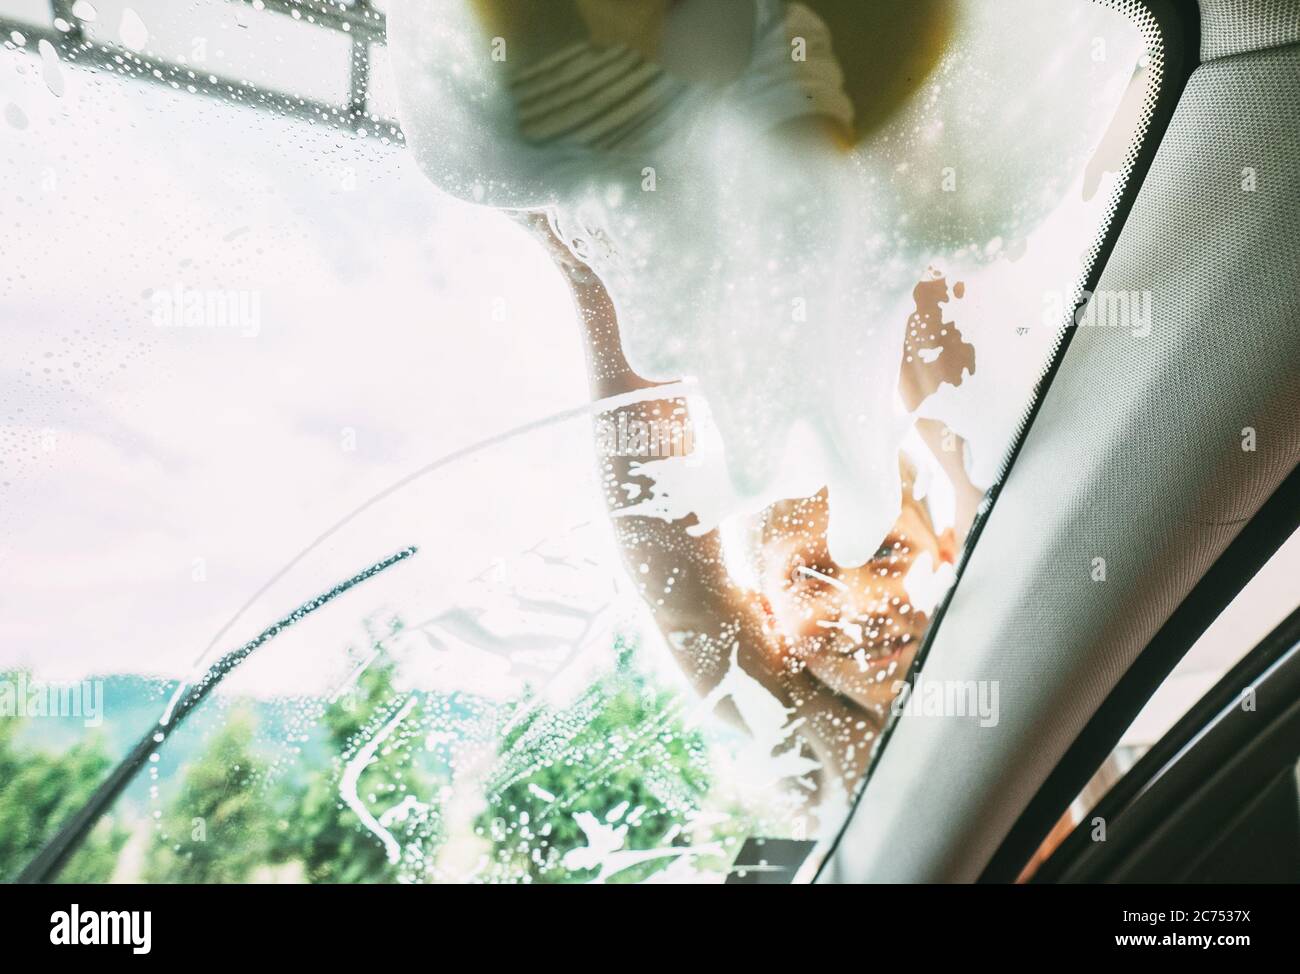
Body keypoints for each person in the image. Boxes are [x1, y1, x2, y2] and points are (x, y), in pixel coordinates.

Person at [388, 0, 1097, 805]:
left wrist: (896, 236)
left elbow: (974, 450)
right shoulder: (810, 738)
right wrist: (591, 277)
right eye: (811, 577)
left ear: (948, 551)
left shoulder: (1017, 642)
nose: (865, 604)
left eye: (892, 555)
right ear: (763, 611)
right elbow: (676, 565)